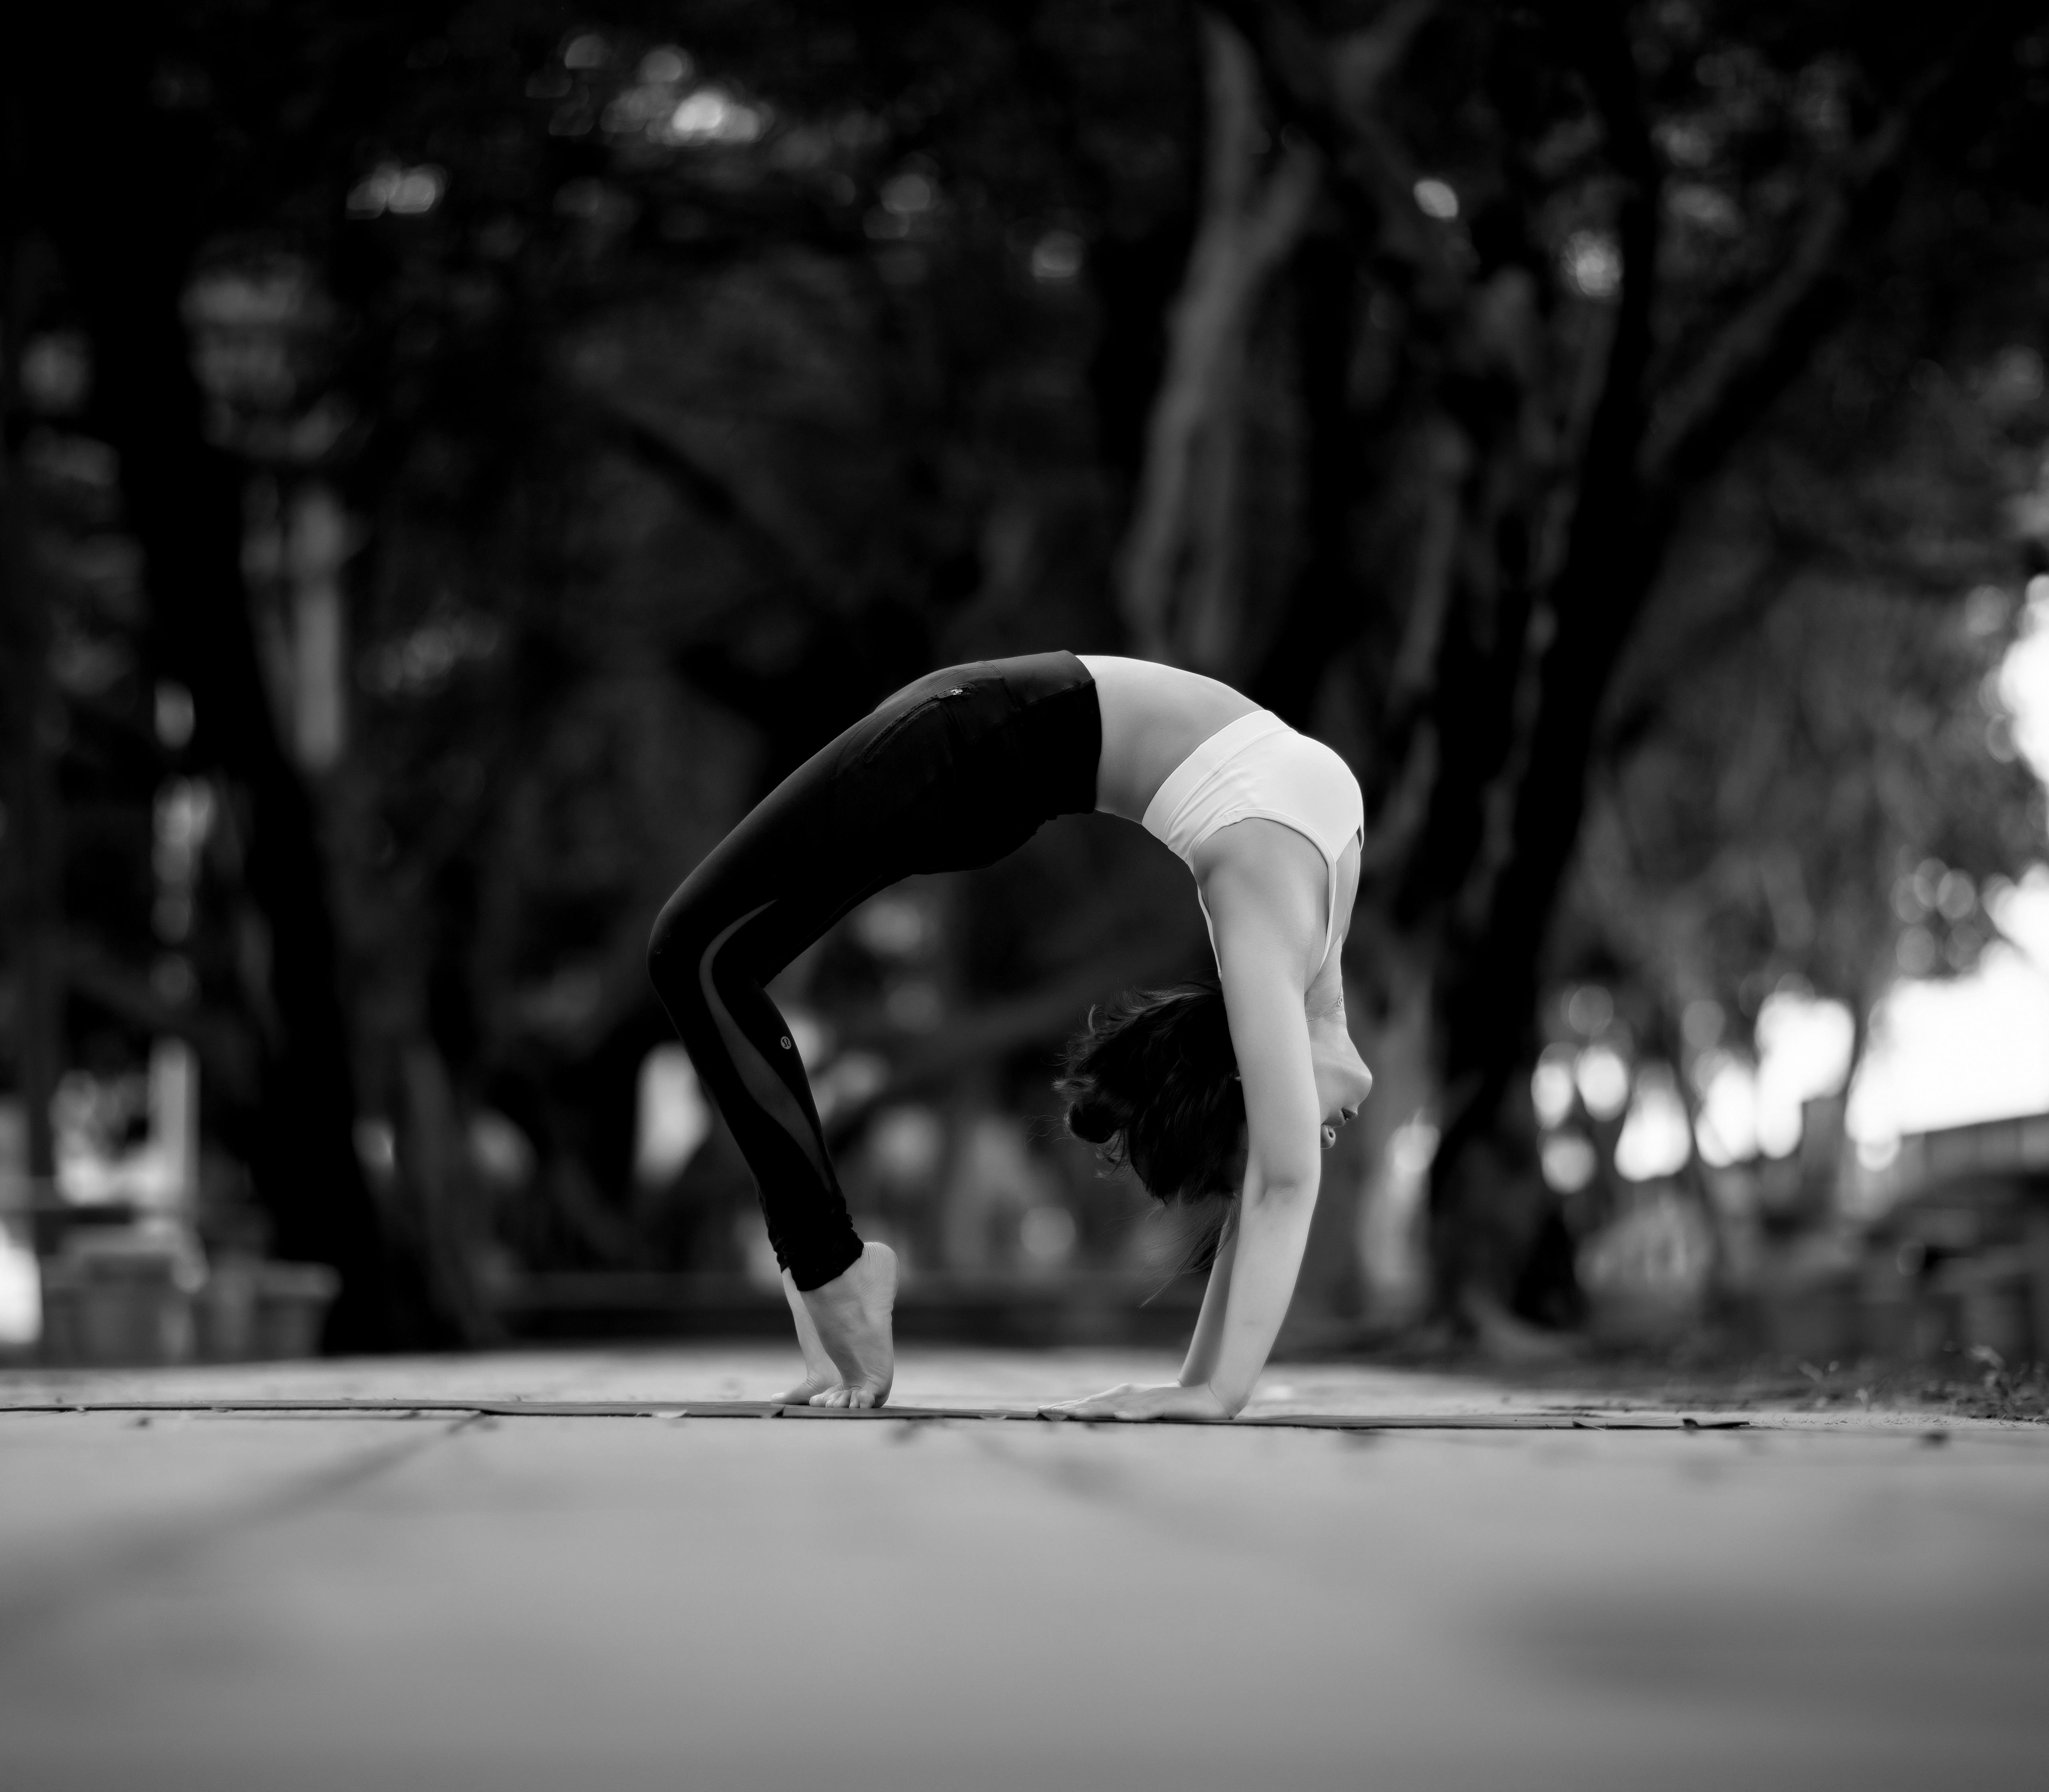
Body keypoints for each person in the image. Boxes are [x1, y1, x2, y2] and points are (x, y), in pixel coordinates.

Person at [646, 652, 1373, 1418]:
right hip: (974, 738)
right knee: (695, 954)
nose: (1301, 1138)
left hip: (985, 749)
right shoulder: (1269, 903)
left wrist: (1199, 1388)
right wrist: (1218, 1395)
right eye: (1254, 1144)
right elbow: (1282, 1184)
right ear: (1245, 1084)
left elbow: (1271, 1184)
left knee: (704, 957)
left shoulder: (1305, 909)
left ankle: (822, 1268)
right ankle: (830, 1272)